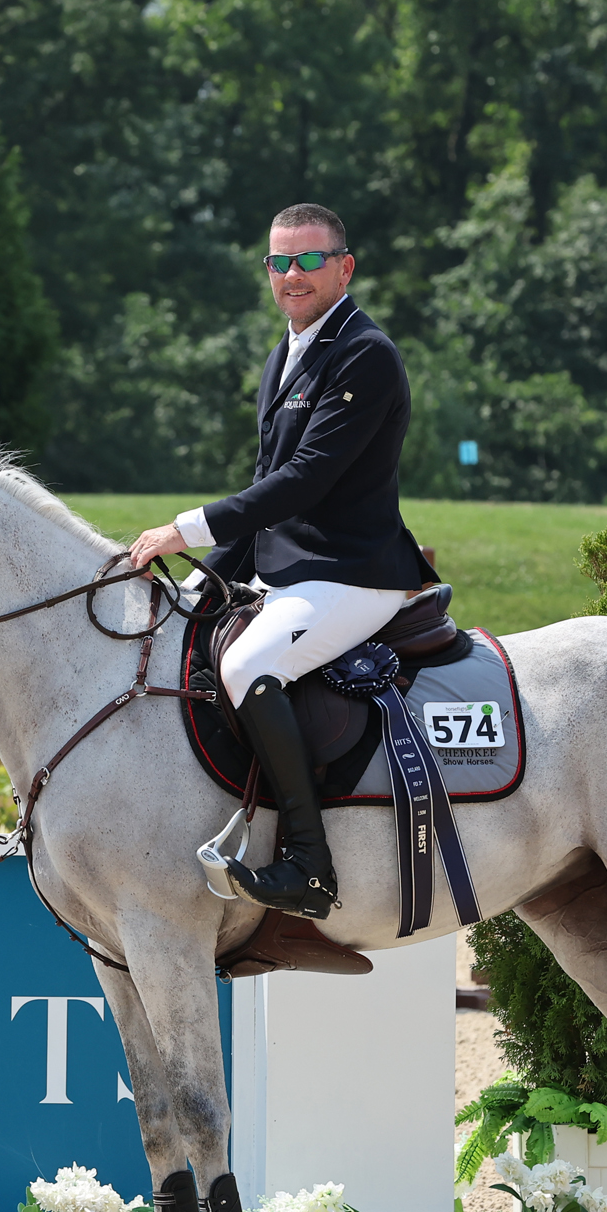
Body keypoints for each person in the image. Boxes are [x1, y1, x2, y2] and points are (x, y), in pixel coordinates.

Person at [128, 203, 436, 919]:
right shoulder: (284, 355)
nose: (292, 275)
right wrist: (201, 582)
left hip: (353, 572)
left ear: (344, 268)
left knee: (246, 664)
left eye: (309, 260)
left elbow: (305, 480)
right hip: (292, 569)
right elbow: (267, 486)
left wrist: (185, 528)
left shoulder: (366, 354)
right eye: (279, 262)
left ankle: (308, 864)